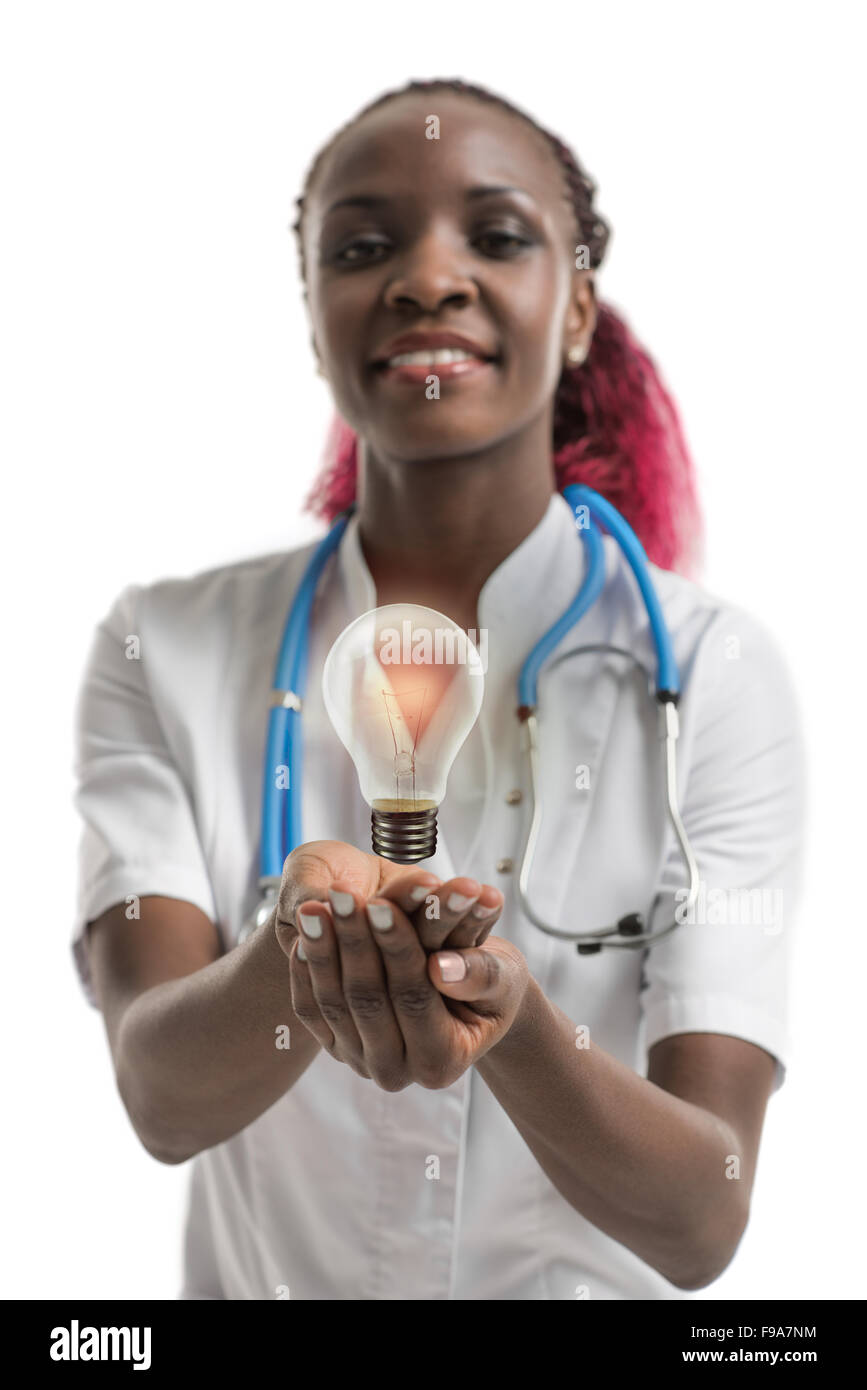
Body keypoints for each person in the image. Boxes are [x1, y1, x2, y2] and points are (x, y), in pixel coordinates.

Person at [71, 78, 805, 1301]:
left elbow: (702, 1217)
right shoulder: (166, 645)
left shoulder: (714, 674)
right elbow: (159, 1094)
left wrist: (514, 1024)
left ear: (577, 308)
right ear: (315, 321)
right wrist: (294, 953)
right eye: (363, 247)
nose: (426, 278)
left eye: (498, 235)